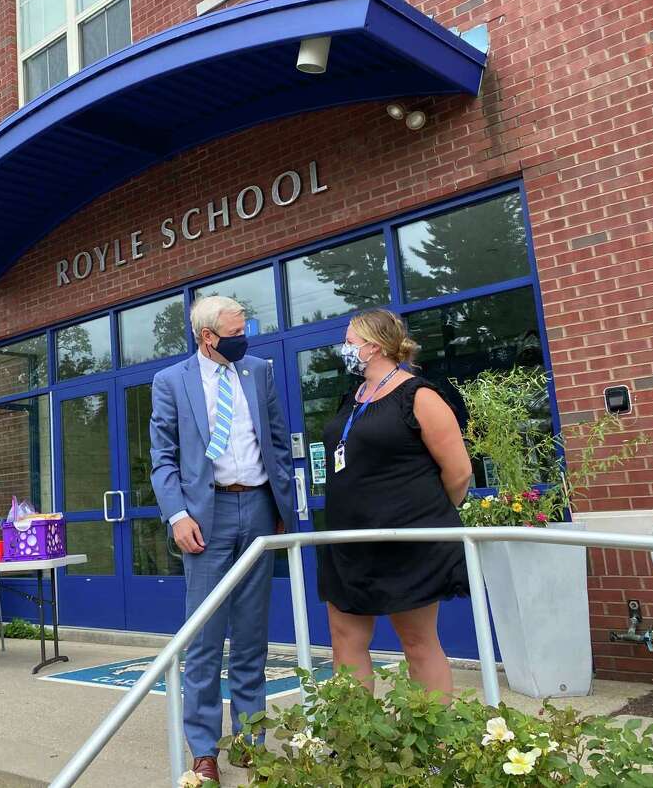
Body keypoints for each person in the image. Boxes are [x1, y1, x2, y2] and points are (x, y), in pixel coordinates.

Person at [150, 295, 296, 785]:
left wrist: (282, 506)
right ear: (206, 336)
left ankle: (251, 739)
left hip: (257, 506)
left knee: (253, 632)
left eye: (244, 328)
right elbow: (163, 458)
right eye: (234, 331)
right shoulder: (171, 382)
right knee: (205, 636)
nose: (244, 337)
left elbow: (277, 441)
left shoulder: (258, 370)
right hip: (205, 515)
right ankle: (204, 749)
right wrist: (176, 515)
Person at [318, 308, 473, 698]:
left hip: (407, 542)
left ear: (372, 346)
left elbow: (458, 473)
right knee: (345, 638)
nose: (345, 348)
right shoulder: (351, 398)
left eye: (350, 340)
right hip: (349, 543)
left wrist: (423, 515)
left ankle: (435, 747)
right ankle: (353, 741)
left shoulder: (418, 395)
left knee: (418, 642)